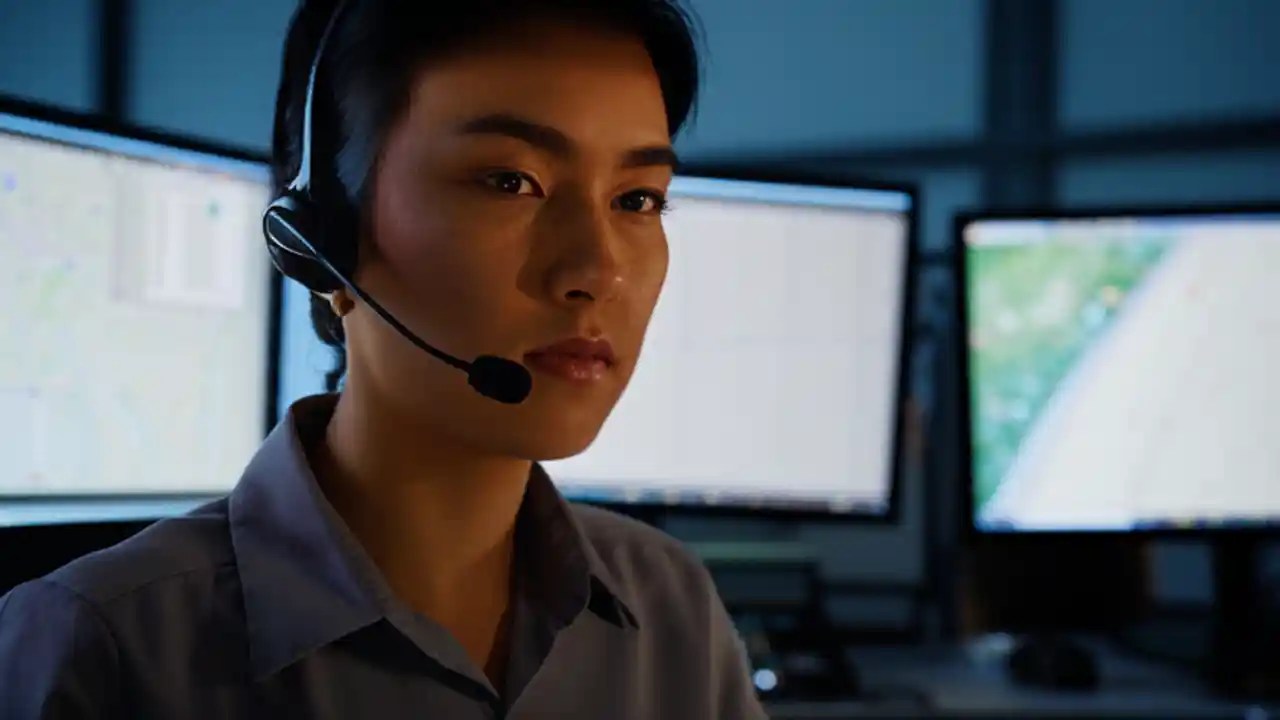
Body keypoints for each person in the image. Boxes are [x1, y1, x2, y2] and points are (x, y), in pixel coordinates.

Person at [0, 0, 771, 717]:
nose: (600, 270)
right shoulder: (107, 644)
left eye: (638, 199)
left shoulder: (672, 606)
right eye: (512, 181)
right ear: (322, 240)